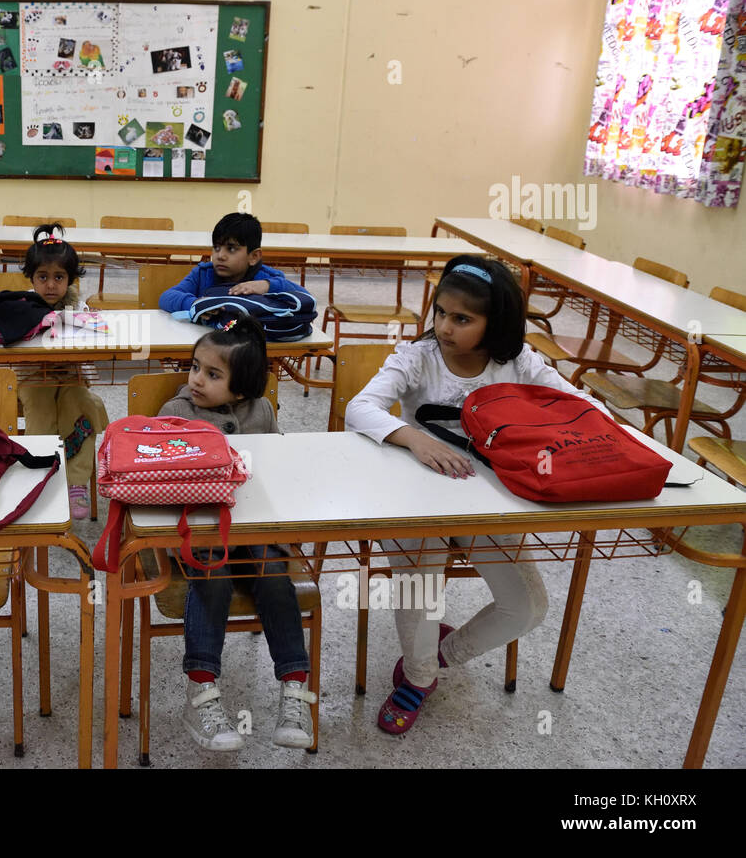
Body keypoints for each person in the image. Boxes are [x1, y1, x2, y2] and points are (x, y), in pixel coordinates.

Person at [345, 254, 610, 734]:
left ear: (496, 324)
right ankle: (418, 678)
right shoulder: (416, 357)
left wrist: (608, 433)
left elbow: (580, 405)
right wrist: (414, 438)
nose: (444, 327)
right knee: (420, 586)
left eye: (462, 319)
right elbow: (358, 408)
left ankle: (441, 657)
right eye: (440, 313)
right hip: (415, 499)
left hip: (489, 501)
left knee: (528, 608)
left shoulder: (517, 362)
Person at [156, 314, 315, 751]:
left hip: (255, 529)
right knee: (214, 582)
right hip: (201, 533)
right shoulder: (175, 413)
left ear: (242, 387)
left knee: (275, 582)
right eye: (194, 367)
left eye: (212, 374)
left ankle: (294, 687)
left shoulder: (261, 410)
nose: (196, 381)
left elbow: (276, 468)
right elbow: (162, 476)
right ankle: (201, 691)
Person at [17, 224, 109, 519]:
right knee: (42, 408)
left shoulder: (79, 307)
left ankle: (76, 482)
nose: (51, 285)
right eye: (43, 277)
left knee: (83, 404)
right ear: (31, 278)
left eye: (59, 277)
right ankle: (41, 472)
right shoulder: (20, 307)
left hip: (71, 374)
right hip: (31, 377)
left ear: (70, 279)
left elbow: (96, 334)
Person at [159, 212, 308, 313]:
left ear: (254, 256)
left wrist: (267, 286)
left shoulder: (266, 278)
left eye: (231, 249)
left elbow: (307, 299)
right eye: (216, 248)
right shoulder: (203, 274)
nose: (220, 256)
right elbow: (166, 297)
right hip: (205, 344)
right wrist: (195, 303)